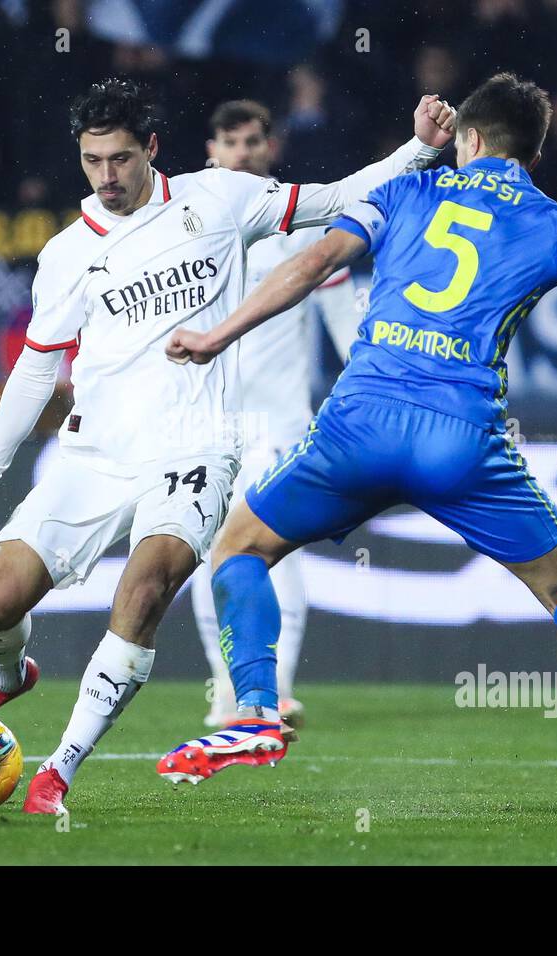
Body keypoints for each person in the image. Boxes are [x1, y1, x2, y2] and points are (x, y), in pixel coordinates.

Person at [161, 73, 557, 827]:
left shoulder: (409, 192)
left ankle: (254, 711)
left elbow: (309, 264)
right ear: (530, 155)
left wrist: (214, 336)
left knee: (239, 549)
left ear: (467, 141)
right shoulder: (551, 221)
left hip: (359, 426)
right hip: (460, 441)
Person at [0, 78, 457, 815]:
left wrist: (420, 148)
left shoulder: (219, 198)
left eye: (119, 159)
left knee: (143, 590)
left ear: (151, 148)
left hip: (197, 447)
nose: (106, 177)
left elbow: (337, 196)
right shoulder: (67, 253)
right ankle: (10, 677)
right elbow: (36, 370)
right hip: (96, 455)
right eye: (91, 161)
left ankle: (59, 771)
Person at [191, 99, 360, 732]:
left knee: (272, 551)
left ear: (272, 147)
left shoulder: (308, 230)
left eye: (252, 141)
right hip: (207, 425)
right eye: (229, 142)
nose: (241, 152)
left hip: (283, 423)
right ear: (212, 150)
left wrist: (371, 389)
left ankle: (277, 688)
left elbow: (348, 328)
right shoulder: (190, 228)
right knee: (208, 552)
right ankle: (228, 687)